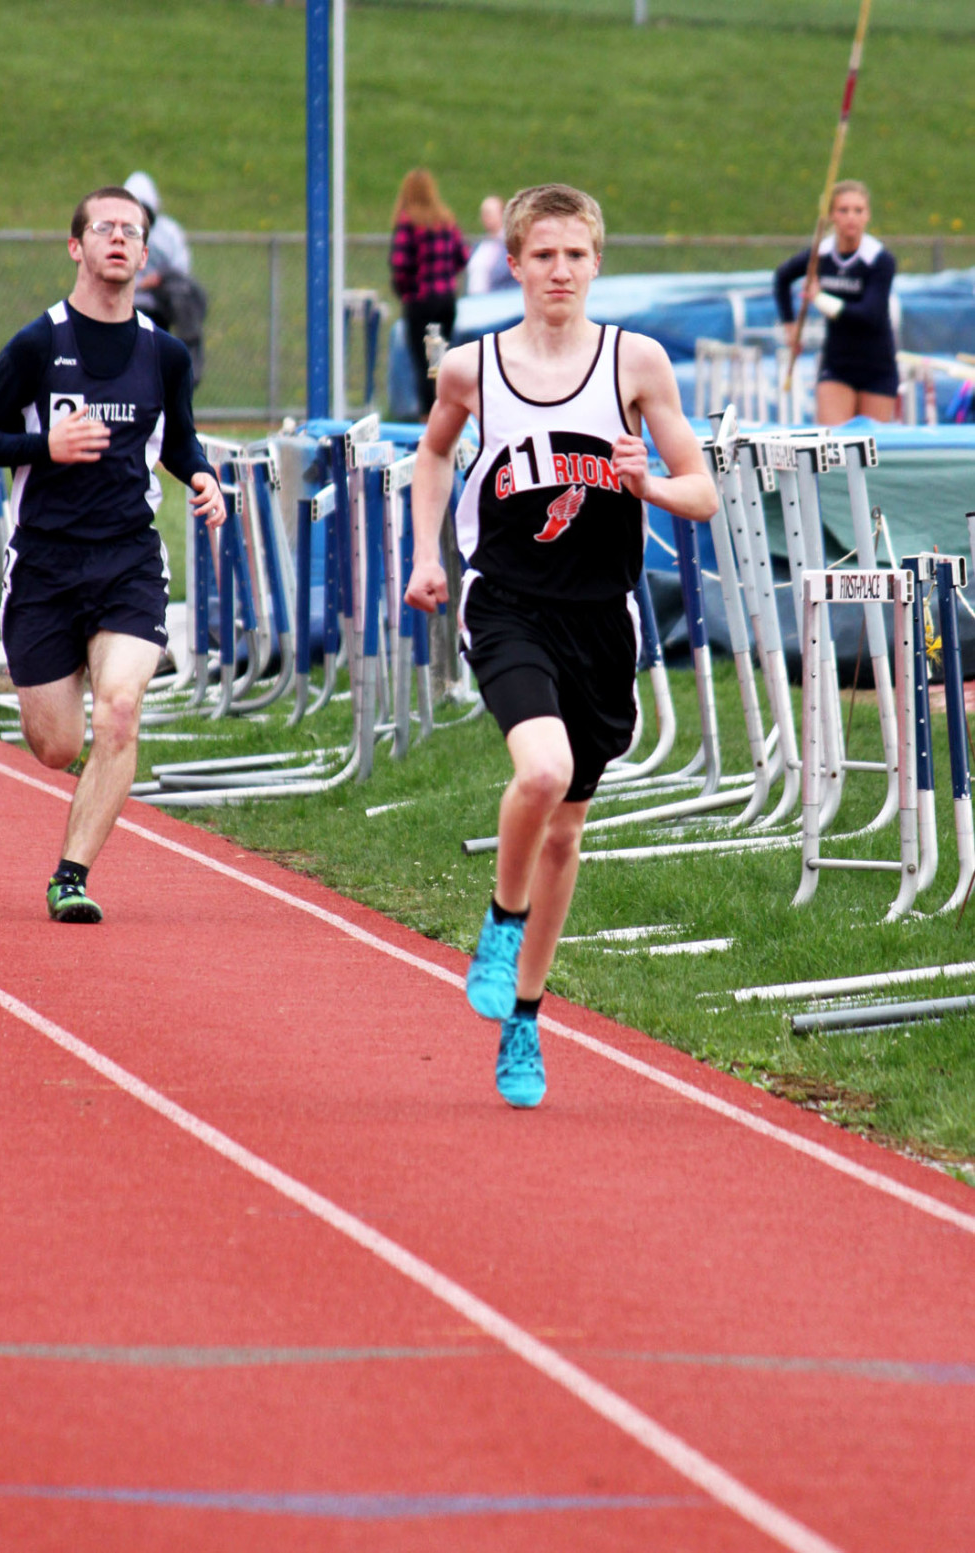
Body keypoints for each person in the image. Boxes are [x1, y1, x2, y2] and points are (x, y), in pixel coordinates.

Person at [403, 183, 718, 1109]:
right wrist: (426, 554)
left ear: (597, 262)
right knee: (541, 771)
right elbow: (432, 452)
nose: (560, 271)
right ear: (513, 263)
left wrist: (649, 485)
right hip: (507, 602)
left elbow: (702, 491)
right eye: (543, 255)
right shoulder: (473, 368)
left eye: (576, 254)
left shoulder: (636, 362)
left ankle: (526, 1017)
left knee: (567, 831)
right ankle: (502, 924)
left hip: (601, 617)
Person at [0, 184, 224, 924]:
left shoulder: (164, 354)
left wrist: (203, 476)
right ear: (77, 246)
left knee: (121, 711)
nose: (119, 238)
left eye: (132, 231)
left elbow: (179, 441)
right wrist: (46, 445)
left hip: (128, 561)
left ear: (145, 252)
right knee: (55, 745)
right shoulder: (38, 345)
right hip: (45, 565)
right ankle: (64, 676)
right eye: (104, 227)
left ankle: (70, 876)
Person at [774, 179, 899, 425]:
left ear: (867, 215)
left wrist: (820, 298)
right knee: (834, 441)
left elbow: (868, 315)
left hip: (877, 367)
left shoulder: (879, 259)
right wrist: (790, 327)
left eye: (858, 210)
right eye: (843, 210)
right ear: (831, 215)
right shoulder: (820, 255)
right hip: (837, 366)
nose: (851, 217)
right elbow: (782, 277)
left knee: (872, 445)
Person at [389, 168, 469, 418]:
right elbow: (462, 256)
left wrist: (405, 290)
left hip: (420, 300)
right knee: (441, 360)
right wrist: (446, 276)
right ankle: (447, 412)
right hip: (446, 301)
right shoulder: (446, 220)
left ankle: (429, 418)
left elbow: (401, 263)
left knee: (423, 363)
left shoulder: (409, 222)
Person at [124, 170, 207, 384]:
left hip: (160, 303)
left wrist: (159, 278)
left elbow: (180, 270)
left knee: (184, 292)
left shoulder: (168, 232)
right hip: (125, 303)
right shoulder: (117, 231)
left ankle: (189, 364)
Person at [465, 195, 515, 296]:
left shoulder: (511, 244)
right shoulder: (479, 244)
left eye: (489, 213)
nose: (485, 217)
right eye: (483, 213)